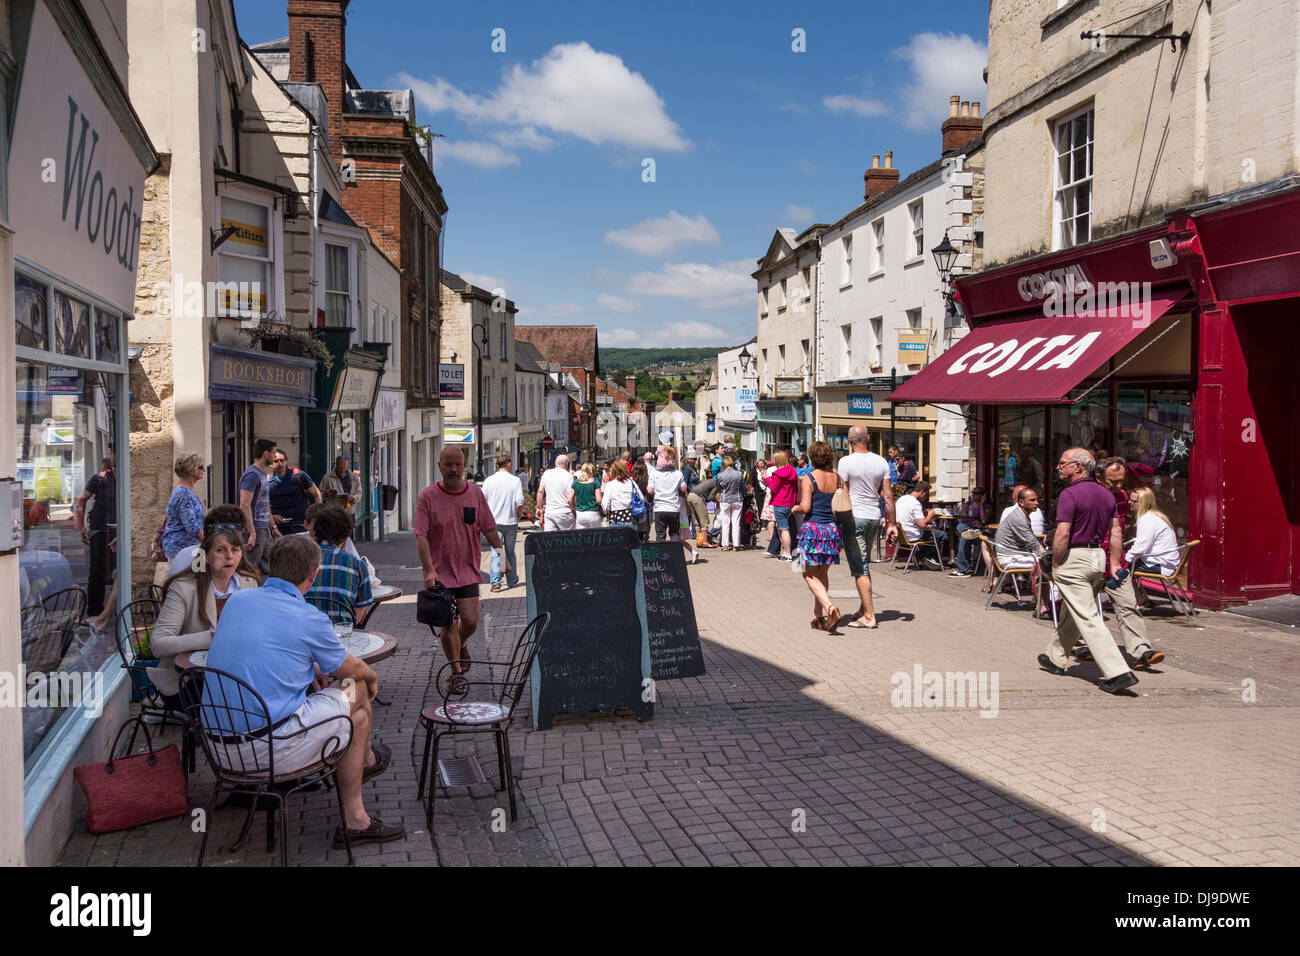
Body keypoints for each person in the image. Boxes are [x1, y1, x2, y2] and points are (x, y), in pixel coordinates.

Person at [204, 534, 401, 848]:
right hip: (267, 748)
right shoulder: (310, 618)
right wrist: (372, 676)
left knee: (335, 692)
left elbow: (261, 650)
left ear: (272, 569)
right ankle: (357, 816)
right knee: (357, 692)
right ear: (313, 575)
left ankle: (364, 759)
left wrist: (308, 667)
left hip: (216, 747)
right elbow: (351, 670)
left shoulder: (238, 600)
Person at [1038, 448, 1139, 694]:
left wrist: (1056, 562)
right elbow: (1116, 532)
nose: (1059, 468)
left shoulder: (1070, 494)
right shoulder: (1107, 495)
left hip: (1075, 556)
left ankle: (1118, 672)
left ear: (1079, 466)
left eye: (1063, 464)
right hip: (1097, 557)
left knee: (1087, 616)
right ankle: (1055, 657)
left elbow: (1062, 533)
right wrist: (1114, 563)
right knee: (1075, 610)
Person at [415, 446, 511, 690]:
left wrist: (503, 558)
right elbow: (421, 536)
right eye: (448, 465)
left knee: (470, 622)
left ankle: (461, 643)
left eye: (458, 465)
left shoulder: (475, 495)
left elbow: (489, 528)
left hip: (468, 570)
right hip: (440, 574)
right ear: (439, 466)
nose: (453, 469)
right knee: (447, 625)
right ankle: (456, 672)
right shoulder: (428, 496)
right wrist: (428, 570)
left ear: (464, 466)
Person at [1074, 462, 1167, 670]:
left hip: (1116, 563)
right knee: (1082, 609)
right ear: (1098, 477)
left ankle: (1141, 651)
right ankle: (1079, 644)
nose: (1118, 485)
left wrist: (1118, 559)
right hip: (1088, 560)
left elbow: (1118, 531)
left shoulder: (1123, 497)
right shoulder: (1085, 496)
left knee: (1128, 605)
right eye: (1113, 481)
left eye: (1121, 480)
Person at [149, 527, 260, 698]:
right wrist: (211, 637)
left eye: (235, 549)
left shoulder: (249, 583)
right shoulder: (184, 587)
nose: (230, 556)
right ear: (206, 556)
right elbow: (158, 644)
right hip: (187, 681)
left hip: (238, 674)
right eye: (221, 550)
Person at [837, 425, 894, 629]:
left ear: (850, 441)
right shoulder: (881, 461)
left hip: (854, 517)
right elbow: (887, 495)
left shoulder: (845, 462)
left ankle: (869, 616)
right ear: (868, 438)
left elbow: (843, 491)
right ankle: (863, 608)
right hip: (874, 518)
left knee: (859, 568)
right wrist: (892, 523)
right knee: (864, 563)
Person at [793, 441, 843, 631]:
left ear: (813, 457)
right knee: (822, 574)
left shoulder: (809, 478)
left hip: (813, 530)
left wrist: (794, 508)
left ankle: (830, 607)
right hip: (832, 531)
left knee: (806, 573)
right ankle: (818, 616)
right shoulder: (838, 478)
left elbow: (805, 507)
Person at [306, 506, 374, 624]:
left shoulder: (301, 559)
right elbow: (359, 613)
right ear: (344, 537)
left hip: (305, 632)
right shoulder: (356, 564)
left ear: (315, 531)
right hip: (341, 635)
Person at [74, 451, 115, 617]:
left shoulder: (126, 478)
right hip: (100, 531)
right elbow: (80, 500)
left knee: (118, 572)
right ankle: (94, 610)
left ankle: (112, 609)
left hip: (119, 531)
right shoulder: (99, 479)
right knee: (97, 572)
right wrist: (81, 527)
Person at [482, 454, 525, 591]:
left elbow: (482, 501)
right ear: (509, 464)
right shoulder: (515, 480)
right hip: (510, 520)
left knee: (496, 551)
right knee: (510, 551)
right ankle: (511, 579)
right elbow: (519, 503)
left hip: (493, 522)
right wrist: (518, 517)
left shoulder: (489, 481)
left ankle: (495, 583)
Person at [239, 438, 277, 575]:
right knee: (249, 568)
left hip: (264, 529)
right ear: (266, 454)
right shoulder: (252, 474)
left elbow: (264, 503)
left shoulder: (262, 474)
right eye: (274, 453)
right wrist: (252, 532)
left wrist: (273, 527)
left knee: (271, 567)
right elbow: (244, 504)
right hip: (255, 528)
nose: (275, 456)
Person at [161, 453, 206, 568]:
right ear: (191, 470)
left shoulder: (185, 491)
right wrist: (210, 544)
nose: (204, 470)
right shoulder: (184, 493)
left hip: (188, 548)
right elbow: (192, 527)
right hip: (183, 549)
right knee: (185, 584)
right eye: (201, 467)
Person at [891, 481, 945, 570]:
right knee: (942, 535)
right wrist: (930, 514)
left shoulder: (902, 499)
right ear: (922, 492)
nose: (926, 497)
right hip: (913, 536)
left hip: (902, 535)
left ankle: (926, 558)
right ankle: (923, 556)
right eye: (926, 494)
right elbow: (922, 524)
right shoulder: (916, 504)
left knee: (932, 533)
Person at [269, 448, 321, 535]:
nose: (279, 464)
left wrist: (314, 518)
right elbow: (262, 506)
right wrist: (272, 517)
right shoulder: (267, 481)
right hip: (278, 529)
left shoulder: (298, 475)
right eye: (276, 461)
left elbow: (317, 494)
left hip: (299, 526)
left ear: (286, 461)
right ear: (271, 464)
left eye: (282, 460)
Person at [951, 486, 995, 577]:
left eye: (977, 493)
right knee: (962, 529)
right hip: (968, 528)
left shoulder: (987, 507)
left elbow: (984, 520)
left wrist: (982, 504)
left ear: (983, 495)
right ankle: (967, 531)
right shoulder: (968, 504)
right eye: (973, 493)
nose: (974, 495)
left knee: (964, 538)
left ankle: (961, 569)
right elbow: (962, 517)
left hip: (980, 532)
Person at [646, 446, 688, 541]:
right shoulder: (678, 474)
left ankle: (662, 555)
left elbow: (650, 490)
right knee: (674, 535)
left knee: (660, 536)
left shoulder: (654, 474)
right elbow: (684, 488)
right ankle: (675, 555)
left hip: (660, 508)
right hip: (674, 508)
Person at [764, 451, 800, 560]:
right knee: (783, 528)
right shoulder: (792, 471)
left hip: (780, 503)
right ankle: (786, 552)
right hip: (790, 502)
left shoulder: (777, 473)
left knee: (783, 529)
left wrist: (766, 478)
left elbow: (774, 489)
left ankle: (787, 553)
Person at [537, 454, 576, 531]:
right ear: (567, 464)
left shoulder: (546, 473)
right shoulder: (569, 476)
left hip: (550, 512)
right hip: (564, 512)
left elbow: (540, 491)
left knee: (549, 539)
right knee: (567, 539)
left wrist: (539, 507)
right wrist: (573, 509)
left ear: (555, 463)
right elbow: (569, 498)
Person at [715, 456, 746, 550]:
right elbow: (743, 487)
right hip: (737, 498)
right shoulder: (739, 474)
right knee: (736, 522)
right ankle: (736, 544)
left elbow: (718, 488)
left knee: (725, 522)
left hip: (725, 499)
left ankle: (725, 544)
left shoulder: (720, 475)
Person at [601, 460, 640, 528]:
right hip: (631, 516)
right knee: (630, 538)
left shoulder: (610, 485)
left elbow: (604, 504)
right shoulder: (631, 482)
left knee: (617, 538)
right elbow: (640, 498)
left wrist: (608, 512)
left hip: (615, 517)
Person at [568, 462, 603, 529]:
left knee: (582, 537)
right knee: (595, 536)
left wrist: (574, 509)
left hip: (580, 513)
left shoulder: (576, 482)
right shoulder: (595, 482)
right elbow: (599, 500)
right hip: (593, 512)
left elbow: (569, 500)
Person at [687, 474, 718, 547]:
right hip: (698, 497)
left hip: (691, 495)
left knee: (697, 521)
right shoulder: (717, 484)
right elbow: (711, 496)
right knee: (704, 521)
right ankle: (704, 542)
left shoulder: (712, 481)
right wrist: (717, 500)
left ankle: (699, 541)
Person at [630, 461, 652, 542]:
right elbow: (649, 499)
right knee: (642, 534)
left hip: (632, 509)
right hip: (643, 510)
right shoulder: (646, 482)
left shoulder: (630, 482)